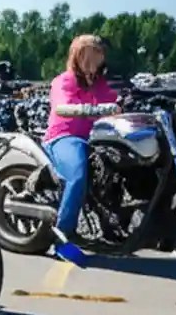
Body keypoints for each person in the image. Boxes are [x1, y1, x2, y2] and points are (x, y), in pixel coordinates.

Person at [42, 34, 119, 267]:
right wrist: (97, 108)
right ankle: (61, 237)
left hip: (94, 138)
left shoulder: (100, 84)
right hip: (64, 137)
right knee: (77, 174)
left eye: (97, 56)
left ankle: (112, 225)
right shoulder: (63, 81)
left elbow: (117, 101)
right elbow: (62, 106)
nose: (93, 62)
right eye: (88, 56)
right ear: (77, 57)